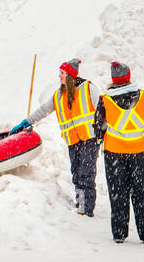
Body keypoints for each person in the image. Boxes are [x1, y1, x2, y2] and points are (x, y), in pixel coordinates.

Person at [11, 58, 101, 216]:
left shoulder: (88, 89)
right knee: (77, 173)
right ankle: (80, 204)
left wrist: (104, 133)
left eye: (62, 73)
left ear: (70, 75)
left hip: (90, 138)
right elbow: (43, 110)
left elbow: (102, 111)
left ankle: (87, 209)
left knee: (87, 173)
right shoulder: (59, 95)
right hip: (73, 140)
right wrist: (26, 122)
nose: (59, 76)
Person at [94, 61, 144, 244]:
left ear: (113, 79)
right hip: (139, 153)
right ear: (128, 76)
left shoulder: (105, 100)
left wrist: (116, 137)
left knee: (118, 193)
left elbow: (98, 128)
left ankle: (120, 233)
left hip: (114, 154)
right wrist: (135, 137)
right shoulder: (143, 96)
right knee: (141, 192)